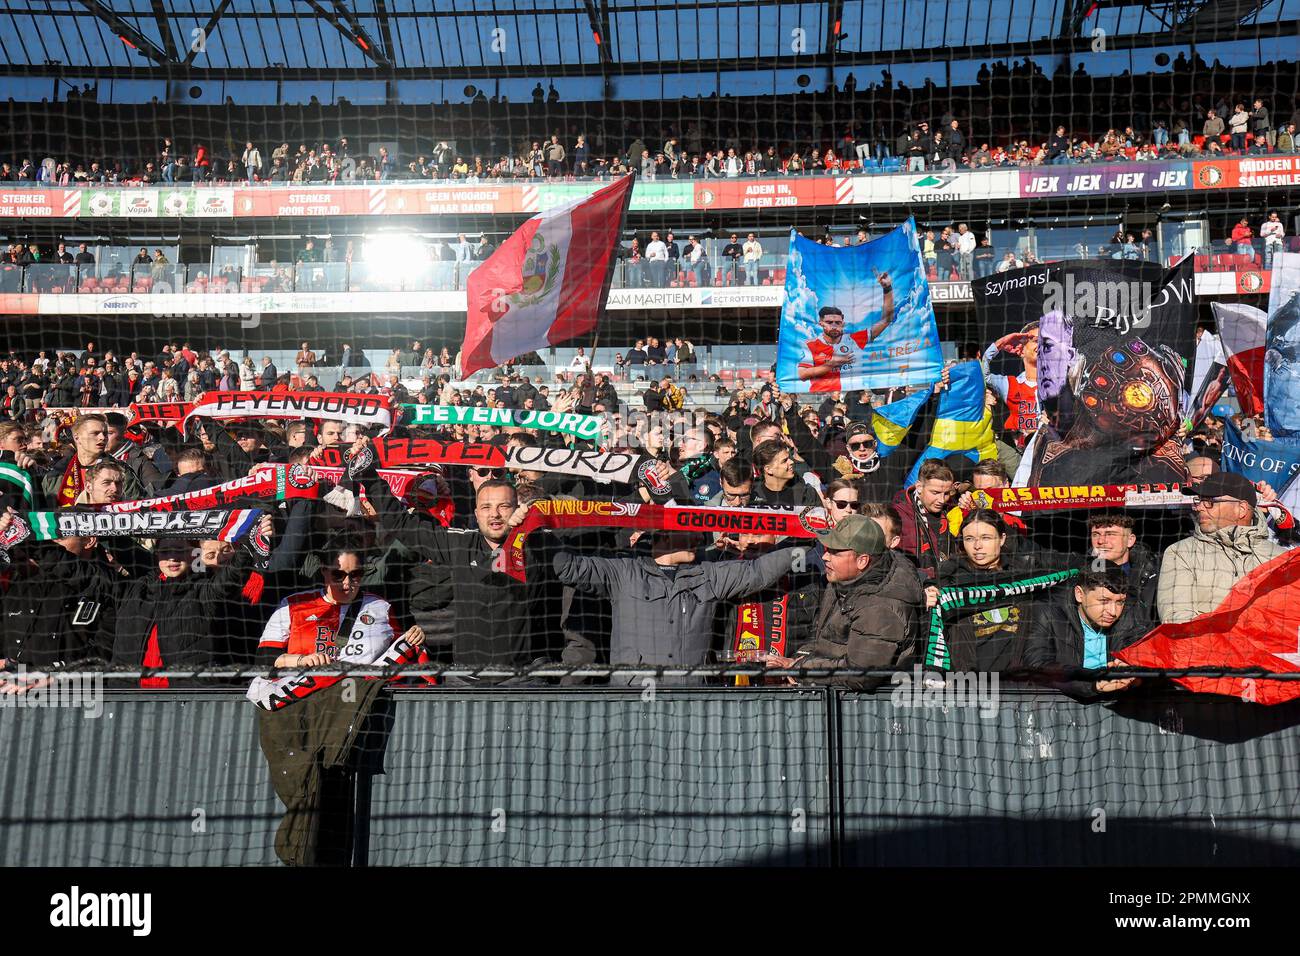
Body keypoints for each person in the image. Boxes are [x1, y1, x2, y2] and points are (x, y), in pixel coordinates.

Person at [763, 514, 924, 690]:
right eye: (827, 549)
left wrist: (802, 669)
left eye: (835, 552)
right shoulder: (841, 581)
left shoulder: (880, 606)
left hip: (872, 707)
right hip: (836, 695)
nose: (825, 557)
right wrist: (799, 659)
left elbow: (861, 675)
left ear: (862, 561)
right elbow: (820, 635)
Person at [1156, 473, 1287, 623]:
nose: (1199, 507)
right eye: (1199, 500)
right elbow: (1177, 621)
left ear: (1241, 509)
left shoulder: (1281, 559)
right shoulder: (1181, 553)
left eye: (1210, 501)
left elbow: (1289, 620)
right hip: (1206, 645)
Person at [1024, 566, 1148, 701]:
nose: (1113, 611)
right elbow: (1037, 666)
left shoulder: (1132, 611)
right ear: (1079, 594)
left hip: (1119, 705)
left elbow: (1148, 660)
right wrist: (1093, 682)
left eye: (1119, 602)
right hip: (1060, 705)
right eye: (1104, 601)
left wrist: (1136, 675)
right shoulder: (1049, 610)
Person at [795, 273, 896, 392]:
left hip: (853, 398)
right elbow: (802, 375)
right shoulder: (810, 345)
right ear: (821, 323)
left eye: (837, 323)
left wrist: (887, 288)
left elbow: (886, 320)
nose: (834, 326)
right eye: (829, 322)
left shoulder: (854, 339)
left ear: (842, 323)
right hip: (823, 398)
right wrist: (831, 364)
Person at [982, 321, 1039, 443]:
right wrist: (999, 344)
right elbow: (982, 375)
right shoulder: (1009, 384)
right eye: (1036, 341)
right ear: (1021, 350)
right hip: (1019, 453)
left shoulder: (1062, 382)